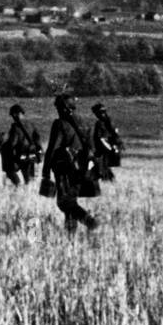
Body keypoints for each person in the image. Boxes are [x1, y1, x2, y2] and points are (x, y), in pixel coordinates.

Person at [41, 93, 98, 233]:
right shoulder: (84, 123)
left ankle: (90, 222)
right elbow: (92, 147)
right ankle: (70, 236)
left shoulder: (59, 124)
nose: (57, 111)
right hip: (83, 169)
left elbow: (52, 148)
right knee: (70, 201)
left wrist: (45, 171)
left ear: (63, 108)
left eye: (58, 108)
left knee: (64, 203)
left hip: (64, 169)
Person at [0, 103, 41, 186]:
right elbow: (38, 139)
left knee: (9, 169)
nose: (13, 118)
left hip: (20, 155)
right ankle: (28, 191)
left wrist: (3, 146)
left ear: (15, 114)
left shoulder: (15, 127)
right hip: (32, 154)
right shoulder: (31, 125)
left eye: (12, 115)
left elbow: (12, 143)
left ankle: (17, 184)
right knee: (29, 180)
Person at [90, 102, 123, 182]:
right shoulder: (109, 121)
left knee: (102, 168)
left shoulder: (100, 123)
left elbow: (101, 139)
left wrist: (109, 148)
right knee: (103, 168)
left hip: (103, 150)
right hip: (107, 149)